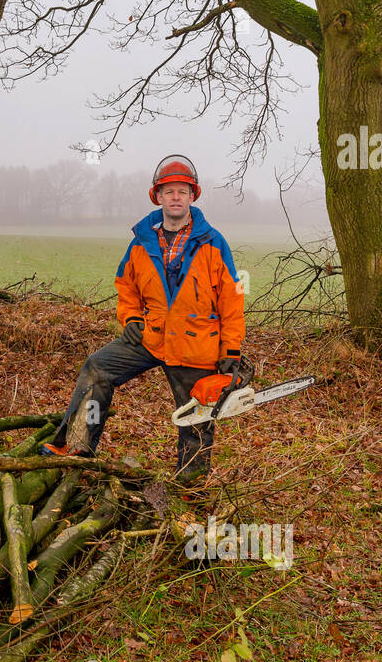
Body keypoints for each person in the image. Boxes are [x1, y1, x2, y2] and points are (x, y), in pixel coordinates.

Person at [42, 154, 245, 485]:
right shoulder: (142, 241)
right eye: (169, 191)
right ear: (158, 197)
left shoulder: (213, 243)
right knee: (98, 369)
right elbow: (126, 283)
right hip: (150, 336)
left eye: (182, 191)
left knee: (196, 417)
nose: (175, 197)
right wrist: (131, 316)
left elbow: (232, 299)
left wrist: (231, 350)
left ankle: (189, 487)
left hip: (196, 345)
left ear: (192, 196)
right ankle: (77, 445)